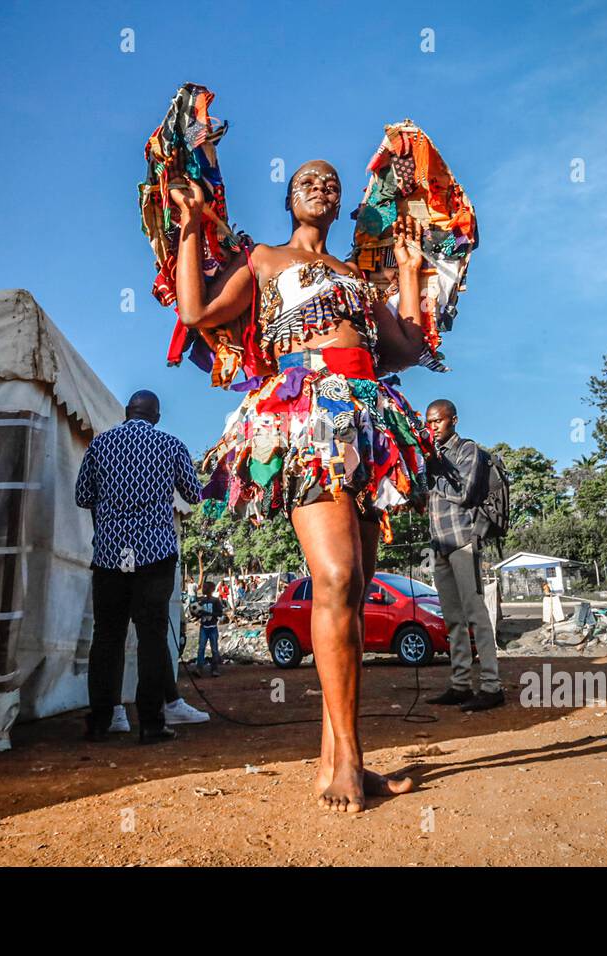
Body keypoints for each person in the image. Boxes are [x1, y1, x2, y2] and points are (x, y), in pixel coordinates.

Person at [173, 160, 431, 812]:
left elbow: (404, 349)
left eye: (332, 181)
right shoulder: (262, 258)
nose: (322, 184)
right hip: (306, 411)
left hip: (368, 421)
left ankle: (338, 761)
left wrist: (405, 268)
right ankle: (347, 761)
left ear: (342, 205)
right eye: (308, 179)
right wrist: (189, 230)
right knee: (338, 578)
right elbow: (196, 310)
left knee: (352, 593)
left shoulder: (355, 275)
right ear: (288, 196)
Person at [75, 389, 201, 745]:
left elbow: (82, 496)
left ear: (126, 412)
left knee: (107, 637)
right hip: (155, 556)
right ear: (156, 417)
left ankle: (102, 721)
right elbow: (193, 494)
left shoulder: (100, 446)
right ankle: (151, 723)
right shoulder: (171, 445)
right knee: (151, 637)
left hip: (110, 557)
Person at [422, 399, 504, 711]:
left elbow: (464, 493)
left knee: (476, 615)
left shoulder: (467, 450)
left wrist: (433, 482)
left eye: (438, 421)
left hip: (464, 540)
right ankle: (460, 684)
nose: (432, 428)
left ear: (453, 420)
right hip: (439, 543)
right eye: (429, 422)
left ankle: (491, 686)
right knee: (453, 619)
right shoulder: (434, 456)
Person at [193, 581, 225, 677]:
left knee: (214, 649)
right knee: (201, 648)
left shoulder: (215, 601)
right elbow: (197, 613)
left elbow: (220, 613)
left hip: (212, 628)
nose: (204, 589)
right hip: (204, 628)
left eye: (206, 587)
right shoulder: (201, 601)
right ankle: (199, 668)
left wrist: (209, 614)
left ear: (211, 589)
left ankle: (214, 669)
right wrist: (196, 615)